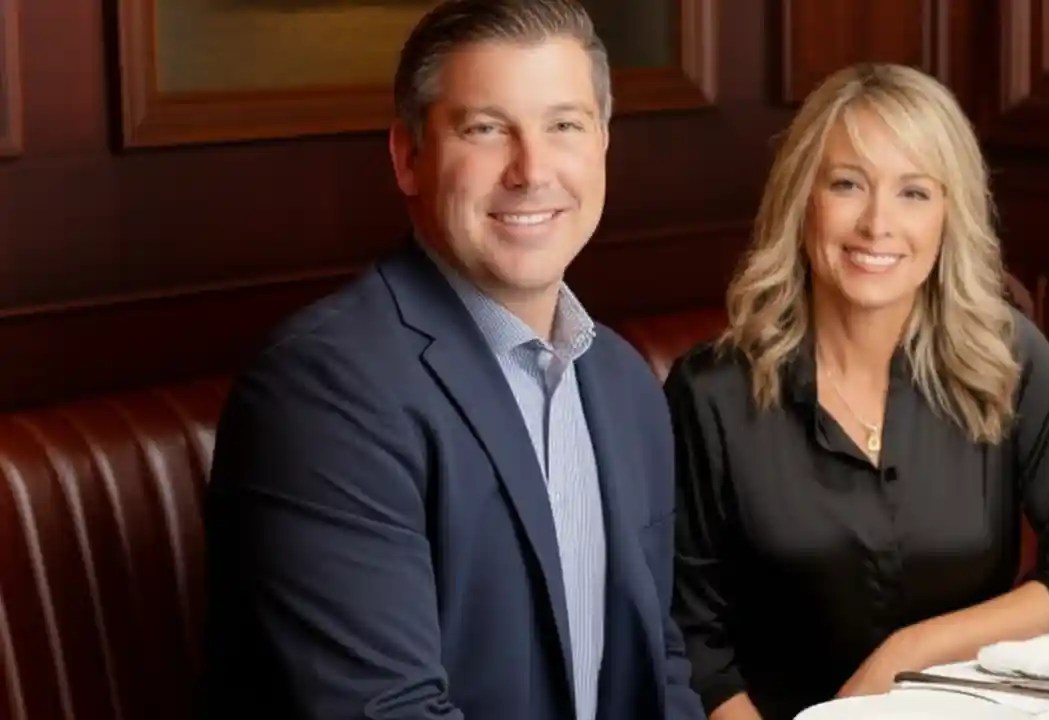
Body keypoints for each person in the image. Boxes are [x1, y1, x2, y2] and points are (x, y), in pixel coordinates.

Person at [199, 2, 703, 719]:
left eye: (564, 125)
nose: (532, 170)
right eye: (486, 129)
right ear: (408, 157)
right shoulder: (323, 393)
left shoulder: (623, 383)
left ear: (602, 143)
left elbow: (658, 666)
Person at [663, 63, 1049, 720]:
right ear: (801, 200)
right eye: (848, 184)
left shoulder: (1004, 356)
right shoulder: (711, 394)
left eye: (914, 192)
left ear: (948, 215)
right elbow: (687, 641)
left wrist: (915, 648)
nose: (878, 223)